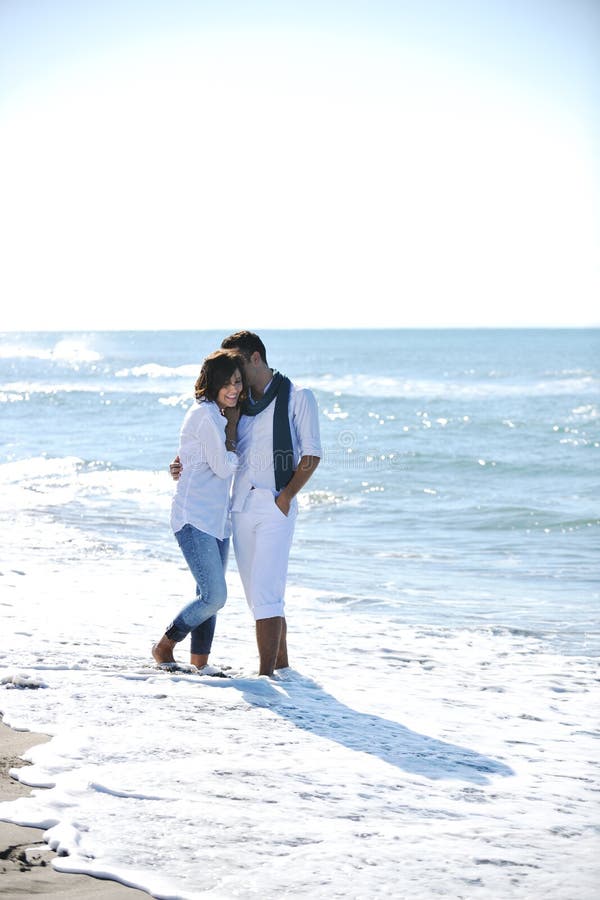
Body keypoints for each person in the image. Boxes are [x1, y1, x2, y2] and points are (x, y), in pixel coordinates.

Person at [172, 331, 322, 676]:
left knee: (268, 592)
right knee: (259, 596)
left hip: (274, 506)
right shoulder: (237, 405)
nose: (234, 379)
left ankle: (266, 678)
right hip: (237, 508)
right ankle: (283, 669)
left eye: (238, 364)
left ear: (255, 358)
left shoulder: (298, 397)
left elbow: (312, 453)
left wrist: (284, 499)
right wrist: (180, 460)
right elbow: (204, 438)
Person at [152, 349, 247, 673]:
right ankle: (165, 645)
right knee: (214, 596)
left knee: (206, 595)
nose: (234, 389)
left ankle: (200, 665)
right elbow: (222, 468)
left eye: (238, 382)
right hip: (194, 518)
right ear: (213, 383)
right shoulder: (206, 416)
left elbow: (190, 459)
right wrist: (233, 440)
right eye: (227, 383)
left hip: (217, 520)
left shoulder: (215, 415)